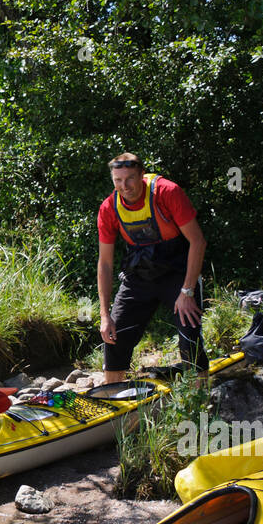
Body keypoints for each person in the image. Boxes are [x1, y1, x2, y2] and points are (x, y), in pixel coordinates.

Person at [96, 152, 208, 383]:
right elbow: (105, 263)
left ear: (142, 176)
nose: (124, 186)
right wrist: (105, 315)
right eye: (117, 180)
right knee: (114, 337)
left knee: (189, 339)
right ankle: (114, 400)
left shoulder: (167, 193)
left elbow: (198, 242)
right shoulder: (109, 208)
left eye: (129, 179)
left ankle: (200, 400)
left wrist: (186, 292)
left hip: (178, 275)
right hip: (139, 276)